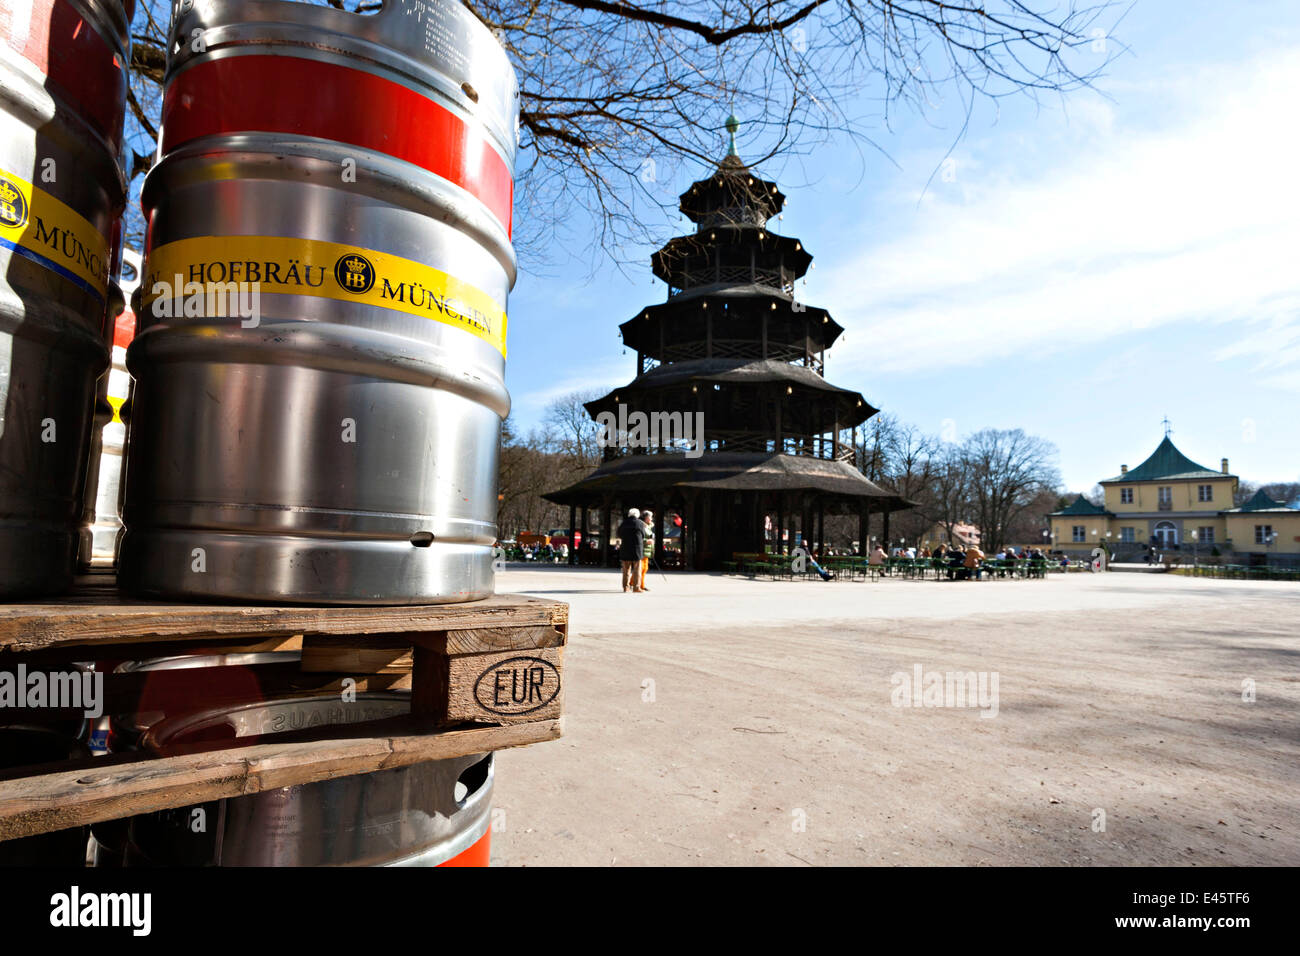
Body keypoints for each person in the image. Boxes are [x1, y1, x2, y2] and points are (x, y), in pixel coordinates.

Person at [617, 508, 646, 592]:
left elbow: (619, 534)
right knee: (637, 570)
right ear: (637, 515)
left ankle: (626, 587)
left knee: (626, 570)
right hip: (636, 549)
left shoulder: (623, 523)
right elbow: (643, 535)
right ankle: (636, 587)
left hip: (625, 548)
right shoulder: (640, 523)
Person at [640, 509, 656, 591]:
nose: (651, 519)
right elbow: (638, 538)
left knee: (644, 568)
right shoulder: (642, 526)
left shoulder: (649, 526)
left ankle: (639, 584)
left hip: (647, 550)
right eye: (650, 517)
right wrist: (647, 541)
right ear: (646, 518)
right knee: (641, 568)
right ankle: (638, 584)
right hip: (642, 550)